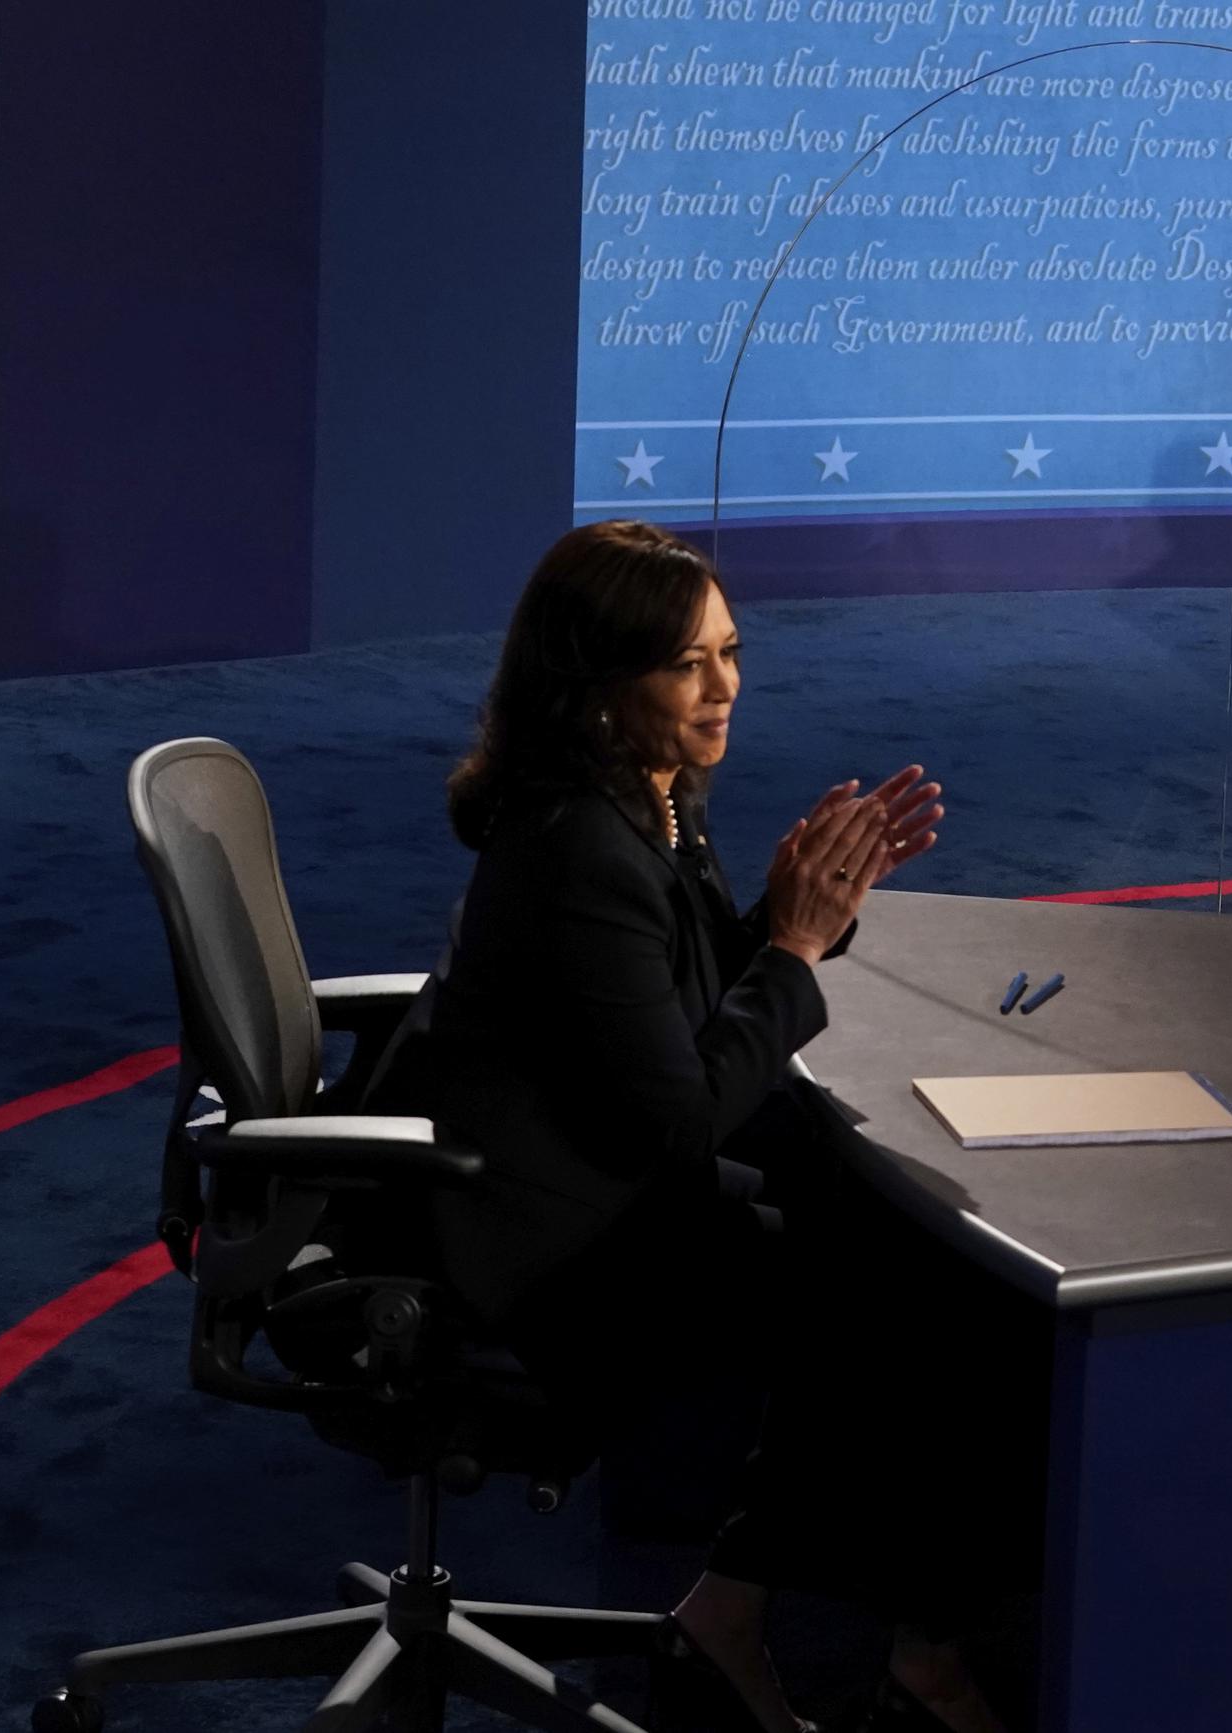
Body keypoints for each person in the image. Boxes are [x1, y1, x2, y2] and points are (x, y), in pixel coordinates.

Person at [370, 520, 1039, 1733]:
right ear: (599, 687)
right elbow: (679, 1115)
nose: (724, 684)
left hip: (588, 1175)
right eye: (688, 664)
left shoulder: (648, 801)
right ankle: (899, 1640)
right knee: (903, 1299)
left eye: (730, 650)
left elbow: (664, 1007)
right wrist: (785, 945)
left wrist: (797, 922)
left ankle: (775, 1611)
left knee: (901, 1251)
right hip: (546, 1239)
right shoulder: (579, 845)